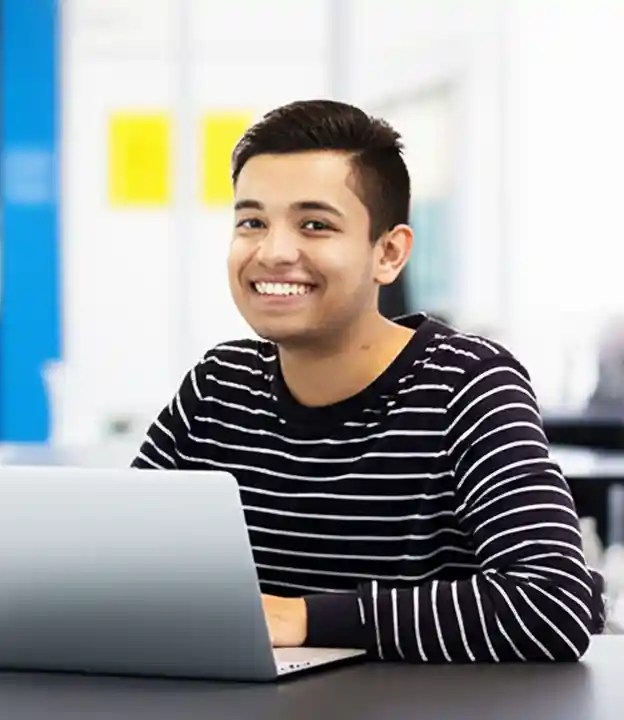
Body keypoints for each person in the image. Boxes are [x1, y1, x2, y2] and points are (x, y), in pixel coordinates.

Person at [133, 100, 605, 662]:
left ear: (389, 252)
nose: (273, 251)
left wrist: (305, 616)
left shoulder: (466, 384)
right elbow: (119, 561)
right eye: (251, 222)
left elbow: (553, 603)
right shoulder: (218, 388)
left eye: (315, 225)